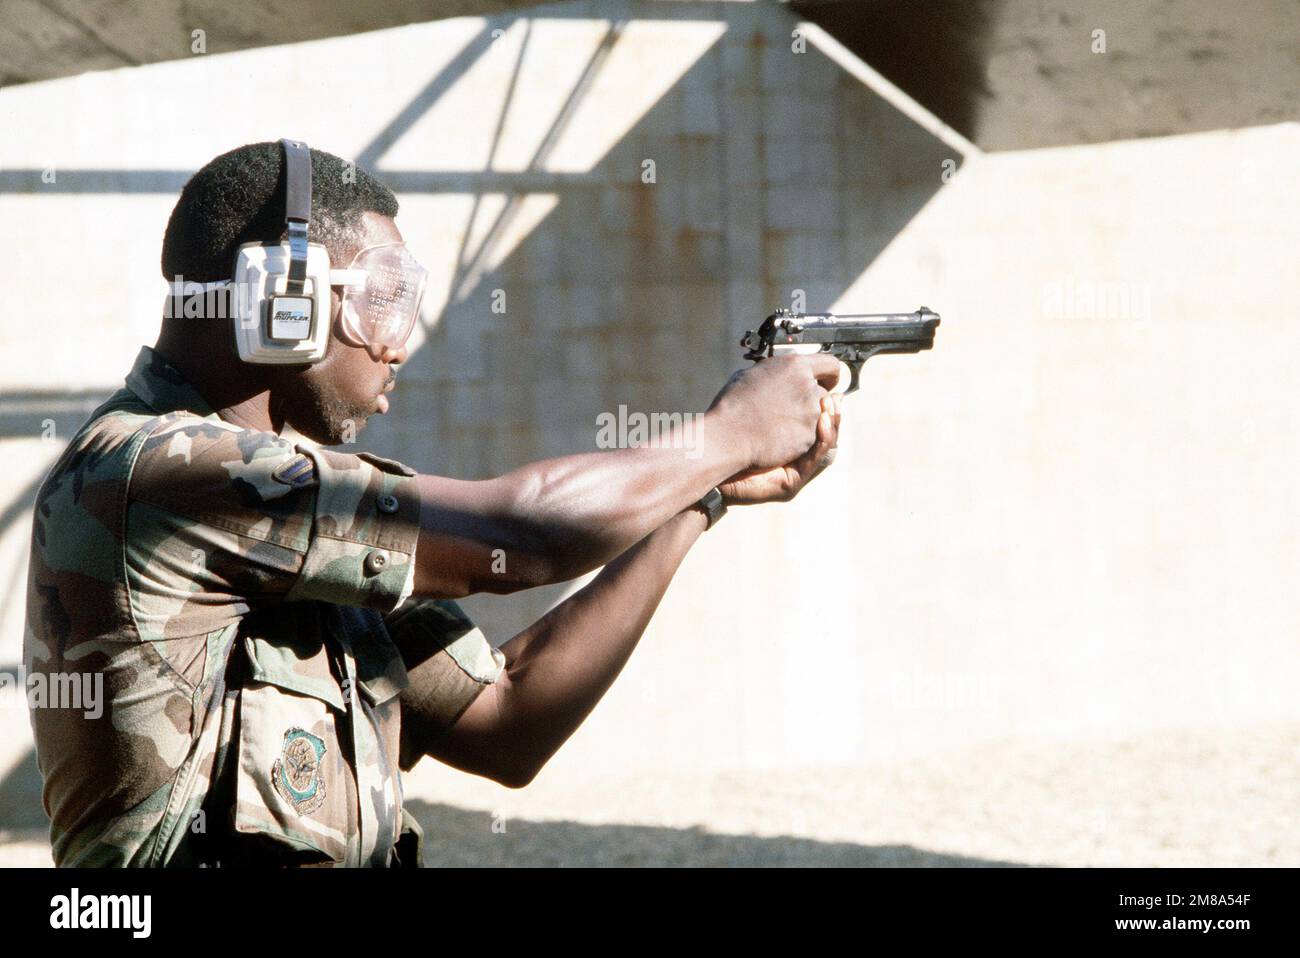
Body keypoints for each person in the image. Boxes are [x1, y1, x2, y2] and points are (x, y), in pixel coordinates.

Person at [23, 140, 843, 867]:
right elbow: (521, 537)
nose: (399, 343)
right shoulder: (155, 471)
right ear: (288, 296)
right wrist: (730, 431)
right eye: (381, 299)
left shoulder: (291, 519)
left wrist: (698, 500)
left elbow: (509, 717)